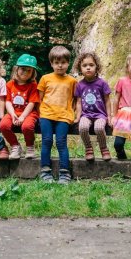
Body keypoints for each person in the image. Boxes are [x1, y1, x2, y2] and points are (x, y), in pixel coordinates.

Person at [37, 46, 77, 184]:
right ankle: (45, 171)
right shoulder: (45, 78)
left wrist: (73, 113)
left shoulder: (72, 81)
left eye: (63, 62)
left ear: (68, 63)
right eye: (56, 62)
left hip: (64, 117)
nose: (60, 65)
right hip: (46, 115)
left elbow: (75, 99)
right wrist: (41, 113)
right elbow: (40, 98)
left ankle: (65, 173)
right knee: (47, 141)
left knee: (61, 142)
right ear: (51, 63)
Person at [0, 54, 40, 160]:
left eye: (29, 70)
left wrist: (22, 117)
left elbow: (32, 103)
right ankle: (15, 146)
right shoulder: (10, 84)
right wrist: (12, 114)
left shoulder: (33, 85)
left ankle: (30, 147)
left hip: (29, 113)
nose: (25, 72)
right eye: (23, 69)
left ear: (33, 73)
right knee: (3, 125)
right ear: (16, 69)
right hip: (13, 112)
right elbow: (8, 101)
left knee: (27, 126)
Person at [73, 51, 112, 161]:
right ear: (80, 68)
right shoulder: (80, 85)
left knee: (99, 128)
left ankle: (103, 148)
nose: (88, 68)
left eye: (91, 65)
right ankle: (88, 148)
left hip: (100, 115)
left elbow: (107, 101)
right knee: (82, 127)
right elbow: (78, 102)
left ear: (97, 67)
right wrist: (78, 117)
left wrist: (109, 117)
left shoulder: (102, 83)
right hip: (86, 115)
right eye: (84, 65)